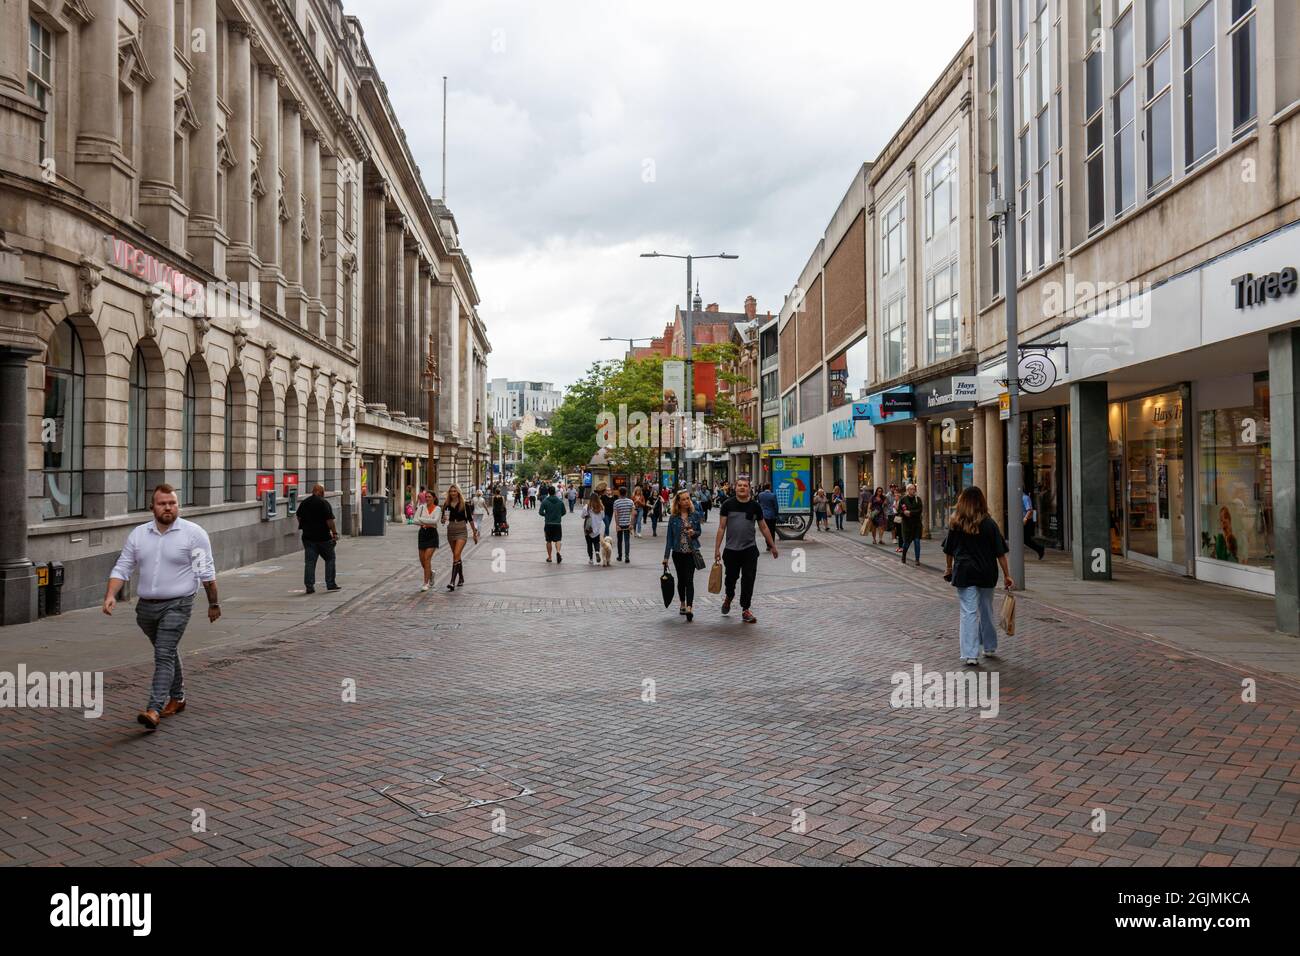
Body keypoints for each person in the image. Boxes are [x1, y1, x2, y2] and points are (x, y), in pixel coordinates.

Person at [102, 484, 220, 730]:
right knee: (166, 651)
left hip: (179, 603)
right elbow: (123, 566)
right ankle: (178, 697)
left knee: (163, 653)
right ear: (152, 507)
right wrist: (111, 595)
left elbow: (205, 573)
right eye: (162, 503)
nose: (168, 507)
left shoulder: (193, 534)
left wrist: (213, 603)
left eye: (172, 503)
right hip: (145, 609)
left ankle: (154, 709)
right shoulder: (138, 534)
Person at [942, 486, 1015, 666]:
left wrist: (949, 568)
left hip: (964, 571)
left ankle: (970, 654)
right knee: (986, 609)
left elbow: (948, 550)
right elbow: (1000, 553)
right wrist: (1007, 575)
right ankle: (989, 647)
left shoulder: (955, 523)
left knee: (969, 612)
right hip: (986, 571)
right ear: (981, 502)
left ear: (962, 501)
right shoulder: (989, 524)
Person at [714, 477, 779, 624]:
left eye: (745, 486)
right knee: (730, 579)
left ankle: (745, 609)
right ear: (735, 488)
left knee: (748, 580)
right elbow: (721, 527)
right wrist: (717, 548)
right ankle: (729, 597)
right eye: (739, 485)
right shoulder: (727, 505)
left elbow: (763, 527)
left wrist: (773, 545)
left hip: (749, 550)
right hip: (731, 550)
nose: (742, 488)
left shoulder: (755, 506)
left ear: (749, 488)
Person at [663, 490, 703, 621]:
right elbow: (669, 538)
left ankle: (690, 608)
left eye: (688, 499)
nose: (687, 501)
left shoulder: (695, 515)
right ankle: (682, 603)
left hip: (691, 552)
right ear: (678, 502)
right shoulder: (673, 518)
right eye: (684, 499)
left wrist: (694, 533)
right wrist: (666, 557)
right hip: (678, 553)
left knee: (689, 580)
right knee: (681, 580)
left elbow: (699, 532)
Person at [296, 483, 341, 593]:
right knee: (330, 559)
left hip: (308, 537)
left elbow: (298, 516)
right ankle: (330, 583)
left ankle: (309, 586)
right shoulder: (324, 503)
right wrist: (334, 533)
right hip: (323, 537)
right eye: (323, 491)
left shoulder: (305, 502)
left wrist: (304, 526)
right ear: (321, 492)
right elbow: (329, 520)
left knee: (310, 562)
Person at [441, 484, 478, 591]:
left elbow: (470, 519)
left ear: (458, 492)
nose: (453, 493)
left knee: (456, 554)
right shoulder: (446, 505)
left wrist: (474, 533)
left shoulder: (464, 505)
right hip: (451, 530)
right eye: (451, 491)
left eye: (454, 491)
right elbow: (443, 521)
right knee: (457, 556)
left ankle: (452, 581)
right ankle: (461, 577)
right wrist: (443, 520)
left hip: (462, 530)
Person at [414, 491, 441, 591]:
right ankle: (431, 573)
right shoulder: (421, 507)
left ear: (434, 498)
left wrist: (422, 520)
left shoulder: (438, 509)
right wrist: (428, 522)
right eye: (426, 497)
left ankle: (425, 583)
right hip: (422, 534)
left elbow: (435, 521)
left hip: (432, 535)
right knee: (422, 560)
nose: (427, 498)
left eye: (429, 497)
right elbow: (415, 520)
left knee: (427, 558)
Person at [539, 484, 566, 563]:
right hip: (557, 524)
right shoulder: (560, 501)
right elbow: (564, 512)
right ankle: (558, 552)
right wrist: (558, 515)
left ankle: (550, 557)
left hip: (548, 524)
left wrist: (546, 515)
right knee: (558, 539)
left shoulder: (545, 501)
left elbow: (540, 512)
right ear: (554, 492)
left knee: (548, 540)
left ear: (548, 492)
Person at [898, 482, 924, 565]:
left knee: (917, 541)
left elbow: (920, 510)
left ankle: (917, 559)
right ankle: (903, 556)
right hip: (907, 524)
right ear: (908, 490)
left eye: (914, 489)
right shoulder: (903, 499)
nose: (914, 490)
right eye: (912, 489)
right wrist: (904, 512)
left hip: (916, 524)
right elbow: (899, 510)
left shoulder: (918, 499)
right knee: (906, 543)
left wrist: (910, 512)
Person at [612, 485, 636, 562]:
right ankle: (627, 557)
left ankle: (619, 556)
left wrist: (617, 525)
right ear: (626, 493)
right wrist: (631, 524)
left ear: (619, 493)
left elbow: (616, 514)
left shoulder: (616, 502)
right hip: (627, 524)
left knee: (619, 540)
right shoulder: (630, 501)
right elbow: (633, 514)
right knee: (627, 540)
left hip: (620, 524)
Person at [1022, 487, 1046, 560]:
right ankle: (1040, 549)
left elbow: (1029, 510)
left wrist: (1025, 518)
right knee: (1023, 539)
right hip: (1021, 521)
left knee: (1026, 540)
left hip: (1026, 521)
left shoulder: (1025, 498)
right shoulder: (1018, 498)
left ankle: (1040, 549)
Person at [582, 494, 605, 564]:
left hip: (588, 528)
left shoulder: (587, 507)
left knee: (589, 544)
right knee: (596, 542)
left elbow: (582, 516)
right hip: (597, 528)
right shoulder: (601, 507)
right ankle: (597, 552)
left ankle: (591, 559)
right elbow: (602, 517)